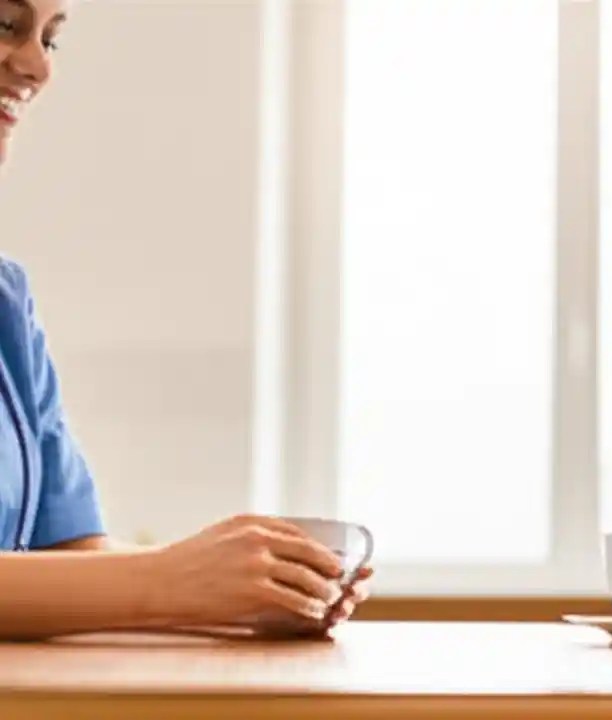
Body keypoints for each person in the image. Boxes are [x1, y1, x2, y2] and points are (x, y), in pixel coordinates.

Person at [0, 0, 371, 638]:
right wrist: (170, 582)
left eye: (51, 40)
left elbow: (68, 557)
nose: (38, 65)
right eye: (6, 26)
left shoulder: (7, 301)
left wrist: (245, 581)